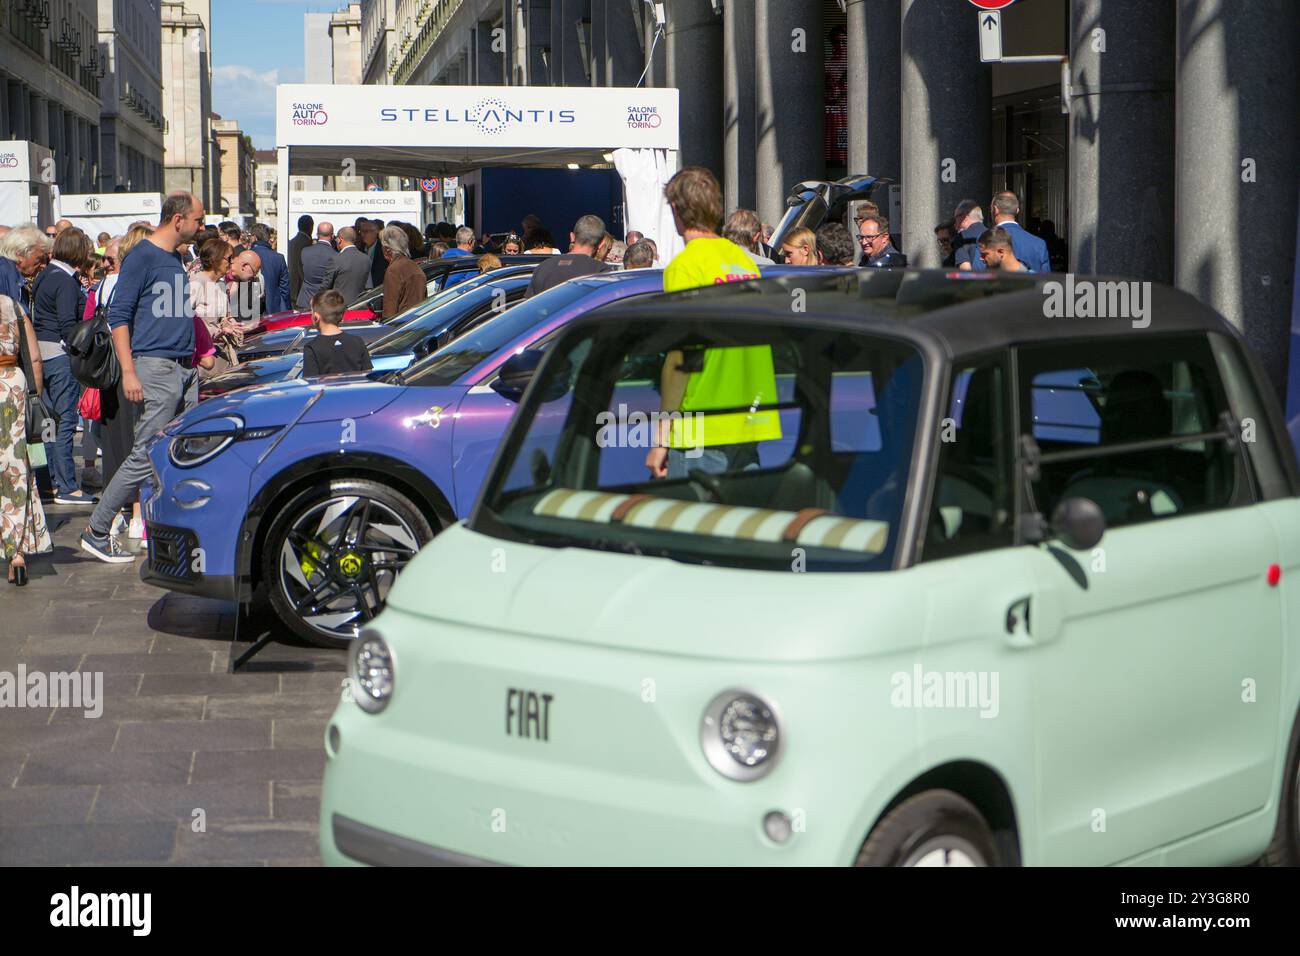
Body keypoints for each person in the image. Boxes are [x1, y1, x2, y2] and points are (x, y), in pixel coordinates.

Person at [81, 191, 203, 564]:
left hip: (183, 368)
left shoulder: (173, 258)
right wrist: (130, 371)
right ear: (178, 219)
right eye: (197, 220)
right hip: (156, 367)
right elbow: (118, 316)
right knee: (144, 452)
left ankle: (172, 528)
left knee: (181, 451)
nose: (201, 227)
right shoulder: (143, 257)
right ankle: (97, 530)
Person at [648, 165, 768, 481]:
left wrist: (662, 437)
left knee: (695, 525)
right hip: (749, 420)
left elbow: (681, 356)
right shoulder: (743, 262)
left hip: (702, 424)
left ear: (676, 209)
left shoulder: (685, 267)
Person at [31, 227, 96, 505]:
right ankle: (68, 486)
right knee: (65, 422)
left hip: (40, 355)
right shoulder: (66, 282)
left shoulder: (44, 276)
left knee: (48, 425)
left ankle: (49, 484)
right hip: (59, 357)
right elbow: (69, 325)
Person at [0, 292, 52, 585]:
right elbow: (34, 358)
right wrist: (36, 397)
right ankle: (17, 555)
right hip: (13, 385)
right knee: (17, 469)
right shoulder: (14, 308)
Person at [190, 237, 242, 373]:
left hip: (221, 355)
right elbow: (186, 320)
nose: (231, 263)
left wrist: (229, 323)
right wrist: (218, 331)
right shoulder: (196, 283)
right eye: (229, 258)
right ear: (215, 259)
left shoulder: (219, 284)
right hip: (205, 360)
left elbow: (223, 316)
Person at [525, 214, 606, 297]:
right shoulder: (602, 273)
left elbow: (527, 306)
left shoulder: (541, 268)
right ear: (601, 244)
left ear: (572, 237)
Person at [302, 289, 373, 378]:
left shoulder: (312, 347)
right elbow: (368, 376)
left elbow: (311, 382)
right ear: (342, 316)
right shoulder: (357, 342)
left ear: (316, 317)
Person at [989, 191, 1051, 273]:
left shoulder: (986, 240)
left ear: (995, 209)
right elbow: (1046, 280)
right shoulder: (1039, 244)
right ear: (1017, 210)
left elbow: (978, 274)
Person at [380, 225, 425, 319]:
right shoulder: (415, 266)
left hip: (401, 326)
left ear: (387, 248)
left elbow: (389, 309)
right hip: (418, 322)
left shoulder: (394, 270)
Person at [0, 225, 49, 311]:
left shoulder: (19, 277)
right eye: (39, 259)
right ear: (20, 254)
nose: (43, 265)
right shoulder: (3, 273)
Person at [321, 226, 369, 305]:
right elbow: (368, 286)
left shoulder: (336, 259)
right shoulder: (366, 258)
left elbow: (326, 285)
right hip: (359, 305)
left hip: (338, 306)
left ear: (340, 239)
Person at [249, 223, 289, 314]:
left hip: (250, 308)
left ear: (254, 237)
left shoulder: (247, 255)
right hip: (274, 308)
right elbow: (285, 288)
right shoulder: (278, 257)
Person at [296, 221, 337, 309]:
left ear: (317, 234)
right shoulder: (336, 255)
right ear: (333, 235)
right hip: (326, 301)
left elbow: (300, 272)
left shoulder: (305, 251)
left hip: (305, 299)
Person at [228, 249, 264, 326]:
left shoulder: (249, 281)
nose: (254, 275)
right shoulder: (222, 274)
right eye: (254, 271)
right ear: (244, 266)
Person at [287, 214, 313, 304]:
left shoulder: (292, 242)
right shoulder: (306, 243)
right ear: (311, 227)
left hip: (292, 286)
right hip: (302, 289)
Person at [952, 199, 986, 270]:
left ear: (964, 217)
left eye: (956, 218)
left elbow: (965, 269)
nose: (955, 224)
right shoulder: (993, 234)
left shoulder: (962, 237)